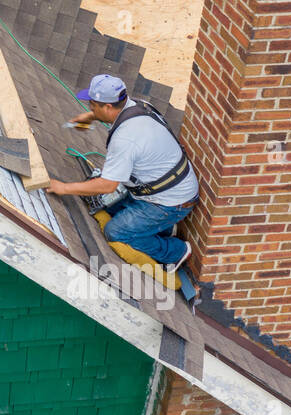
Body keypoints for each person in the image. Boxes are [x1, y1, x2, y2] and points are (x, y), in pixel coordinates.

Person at [46, 74, 197, 271]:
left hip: (170, 202)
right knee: (108, 206)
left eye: (93, 105)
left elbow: (108, 185)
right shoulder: (139, 106)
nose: (90, 107)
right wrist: (92, 116)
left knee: (115, 231)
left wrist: (64, 188)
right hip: (168, 185)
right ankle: (163, 228)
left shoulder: (125, 140)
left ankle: (175, 252)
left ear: (108, 107)